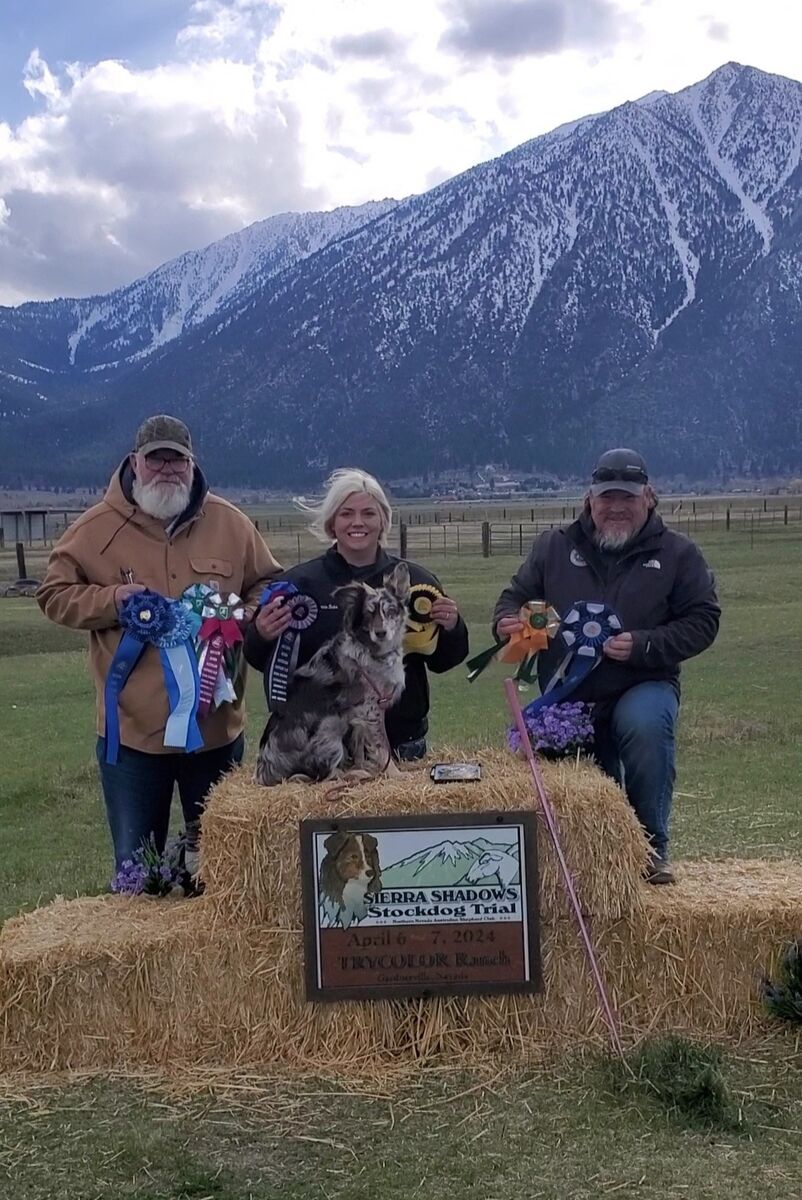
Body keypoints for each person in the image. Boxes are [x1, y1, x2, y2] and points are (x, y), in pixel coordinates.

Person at [37, 415, 281, 874]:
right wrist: (111, 600)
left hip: (215, 733)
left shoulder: (233, 524)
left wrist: (239, 616)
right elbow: (53, 594)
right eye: (156, 460)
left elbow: (269, 585)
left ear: (192, 464)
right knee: (137, 871)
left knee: (221, 871)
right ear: (135, 462)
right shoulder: (93, 529)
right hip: (132, 737)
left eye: (177, 460)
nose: (167, 469)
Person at [493, 448, 720, 884]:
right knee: (578, 775)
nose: (616, 508)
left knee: (645, 727)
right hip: (568, 693)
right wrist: (507, 622)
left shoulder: (678, 554)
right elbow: (515, 597)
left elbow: (703, 620)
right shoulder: (553, 547)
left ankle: (649, 848)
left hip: (644, 680)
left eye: (628, 498)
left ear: (648, 498)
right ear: (589, 499)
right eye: (607, 498)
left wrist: (643, 644)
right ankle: (581, 864)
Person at [243, 468, 469, 761]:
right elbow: (260, 658)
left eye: (368, 513)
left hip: (401, 746)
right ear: (331, 523)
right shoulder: (297, 585)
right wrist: (261, 635)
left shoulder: (414, 581)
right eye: (346, 513)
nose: (358, 522)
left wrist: (453, 627)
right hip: (322, 750)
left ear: (383, 520)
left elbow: (443, 661)